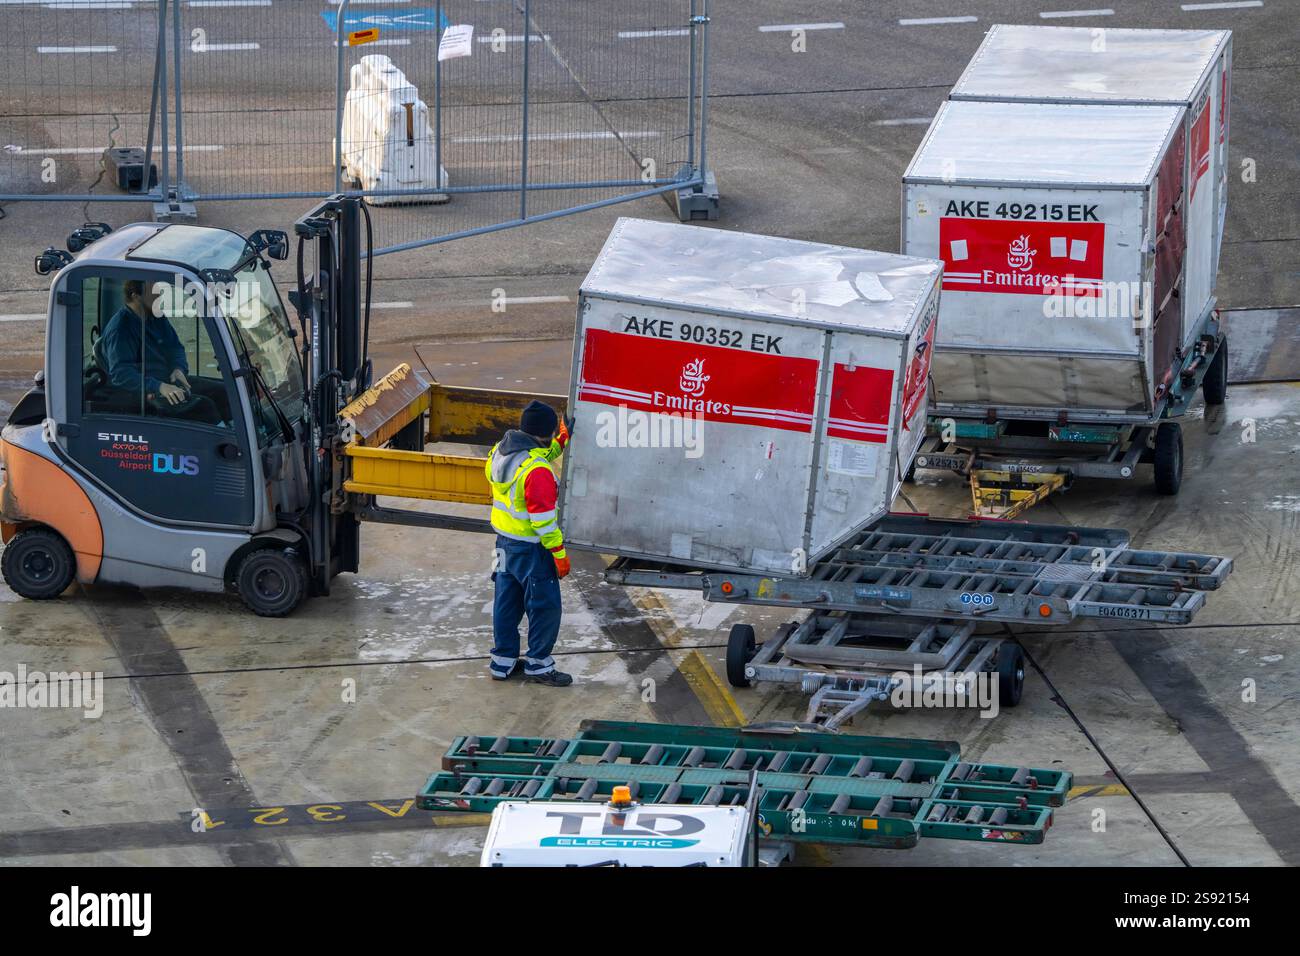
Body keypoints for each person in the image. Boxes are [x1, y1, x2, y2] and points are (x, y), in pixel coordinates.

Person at [485, 400, 573, 686]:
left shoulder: (499, 452)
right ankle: (538, 665)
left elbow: (536, 453)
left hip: (503, 542)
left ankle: (502, 661)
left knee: (505, 601)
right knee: (544, 605)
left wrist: (560, 442)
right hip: (531, 549)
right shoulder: (538, 472)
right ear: (546, 431)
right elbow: (544, 523)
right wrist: (559, 554)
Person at [101, 279, 224, 425]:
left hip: (169, 380)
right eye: (154, 295)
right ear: (136, 296)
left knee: (224, 391)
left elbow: (175, 347)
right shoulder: (121, 329)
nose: (159, 298)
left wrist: (178, 368)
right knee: (204, 406)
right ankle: (228, 442)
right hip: (144, 392)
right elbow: (121, 374)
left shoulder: (155, 316)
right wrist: (159, 386)